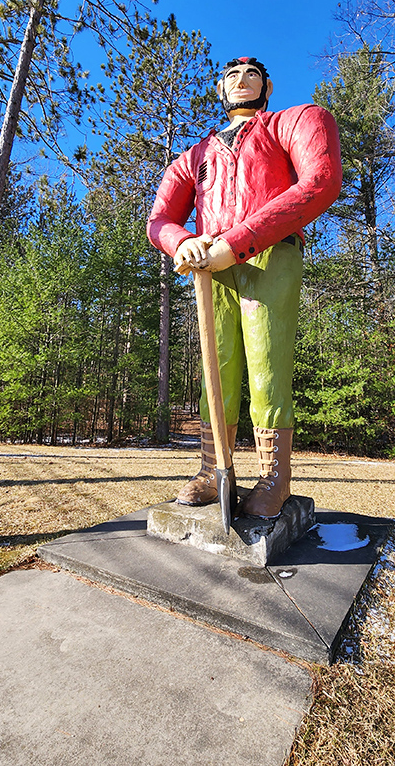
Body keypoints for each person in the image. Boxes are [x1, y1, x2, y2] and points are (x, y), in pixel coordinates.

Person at [147, 57, 341, 518]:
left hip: (269, 252)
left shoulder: (296, 121)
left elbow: (320, 181)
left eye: (252, 74)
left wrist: (235, 244)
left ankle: (274, 476)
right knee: (218, 369)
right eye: (232, 76)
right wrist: (184, 243)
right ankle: (215, 470)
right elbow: (160, 220)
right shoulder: (194, 157)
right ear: (220, 89)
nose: (241, 80)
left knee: (267, 366)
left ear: (268, 85)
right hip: (208, 267)